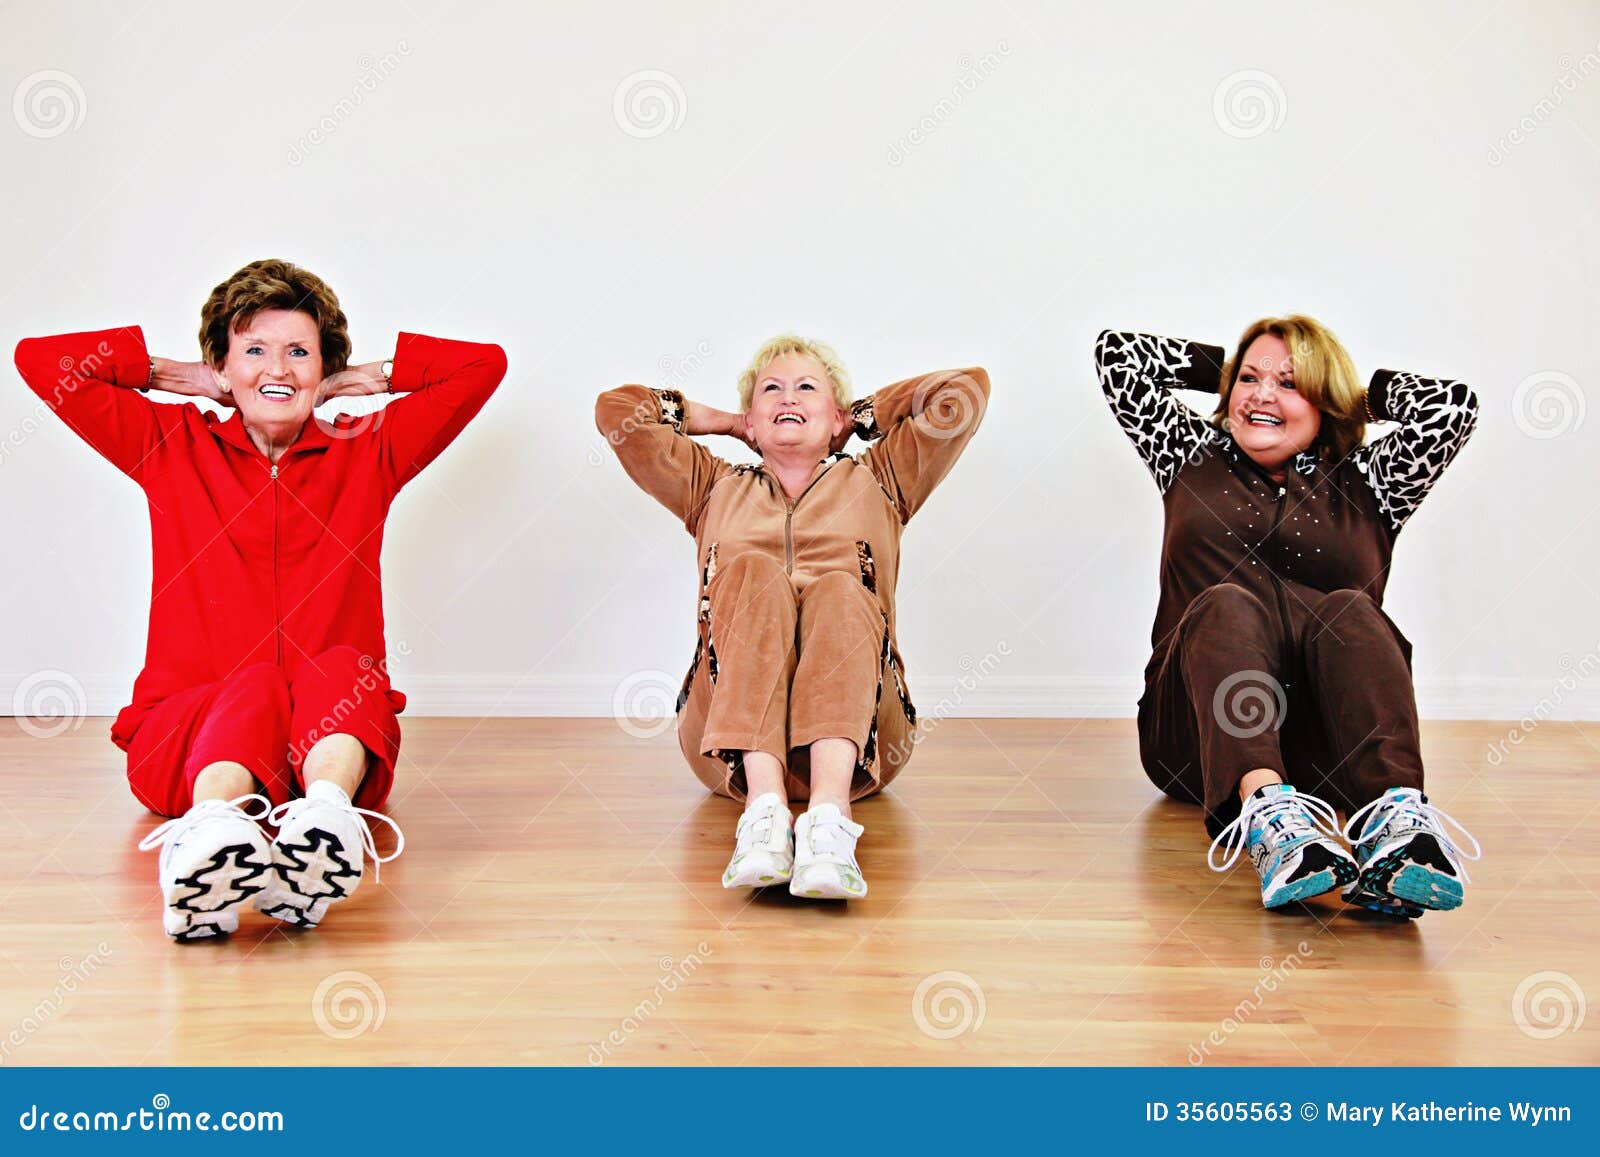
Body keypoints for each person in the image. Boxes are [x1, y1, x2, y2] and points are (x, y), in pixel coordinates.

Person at [15, 258, 507, 940]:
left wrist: (358, 380)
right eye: (254, 351)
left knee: (345, 667)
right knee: (253, 686)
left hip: (325, 751)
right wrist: (173, 374)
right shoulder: (169, 443)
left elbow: (483, 366)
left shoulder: (369, 450)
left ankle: (324, 829)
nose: (278, 368)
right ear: (221, 364)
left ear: (323, 368)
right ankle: (208, 841)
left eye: (299, 352)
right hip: (183, 740)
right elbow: (41, 360)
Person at [1095, 318, 1481, 915]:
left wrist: (1350, 394)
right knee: (1225, 601)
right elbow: (1118, 353)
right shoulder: (1188, 455)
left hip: (1324, 746)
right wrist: (1230, 371)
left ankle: (1399, 831)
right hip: (1193, 734)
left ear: (1325, 401)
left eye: (1290, 384)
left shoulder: (1372, 482)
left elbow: (1454, 407)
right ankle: (1269, 817)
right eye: (1249, 380)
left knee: (1352, 611)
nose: (1262, 395)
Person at [597, 336, 988, 899]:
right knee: (755, 575)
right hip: (726, 752)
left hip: (865, 746)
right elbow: (617, 413)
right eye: (771, 390)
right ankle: (765, 814)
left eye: (808, 388)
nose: (789, 396)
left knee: (838, 590)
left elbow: (965, 392)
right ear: (753, 422)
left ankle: (829, 822)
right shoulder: (711, 488)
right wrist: (723, 422)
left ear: (835, 417)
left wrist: (860, 417)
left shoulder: (881, 478)